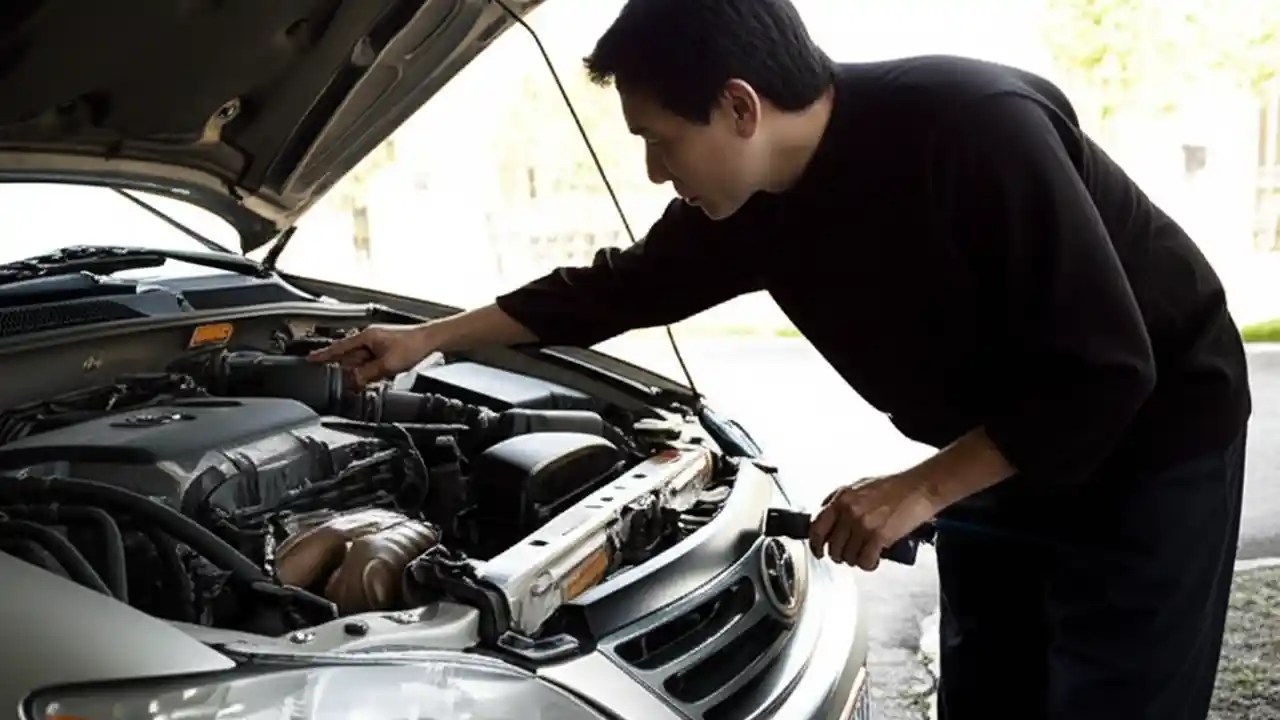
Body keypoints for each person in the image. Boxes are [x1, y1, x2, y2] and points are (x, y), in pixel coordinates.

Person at [308, 0, 1252, 717]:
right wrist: (423, 341)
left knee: (1112, 692)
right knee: (990, 682)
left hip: (1152, 437)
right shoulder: (747, 207)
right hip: (994, 449)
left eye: (660, 141)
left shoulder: (973, 128)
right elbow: (608, 291)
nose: (654, 171)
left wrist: (917, 490)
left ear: (739, 106)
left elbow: (1106, 370)